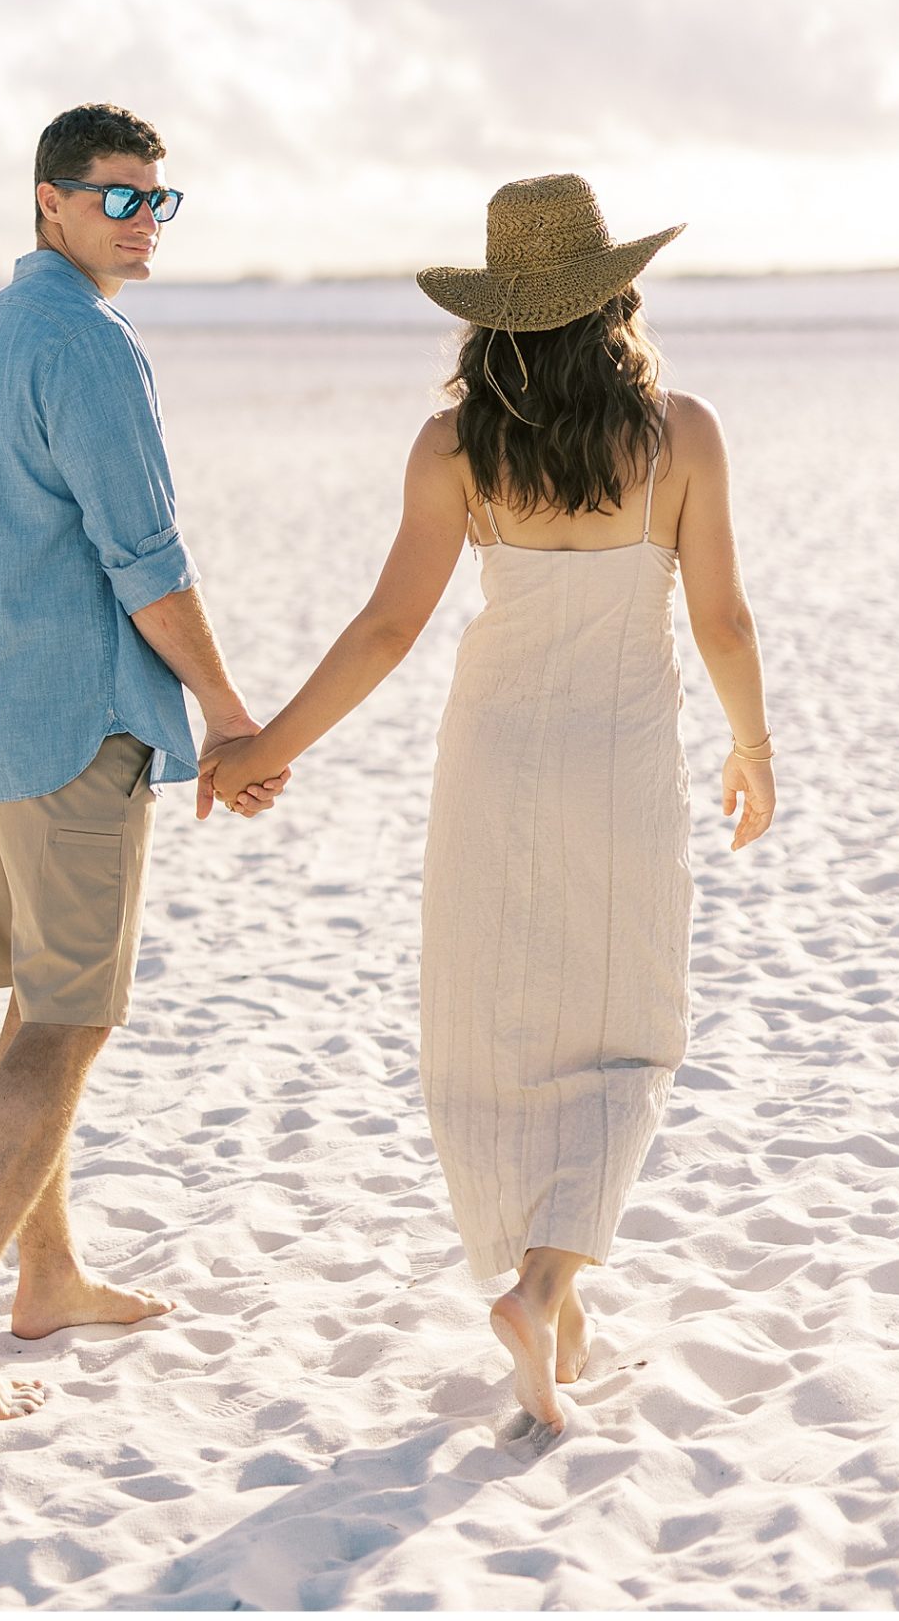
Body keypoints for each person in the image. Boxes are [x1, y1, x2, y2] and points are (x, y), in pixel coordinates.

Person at [209, 174, 777, 1435]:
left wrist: (262, 748)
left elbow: (387, 627)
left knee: (499, 1025)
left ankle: (546, 1291)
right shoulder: (681, 434)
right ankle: (546, 1286)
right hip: (621, 764)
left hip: (493, 758)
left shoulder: (456, 445)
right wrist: (755, 745)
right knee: (629, 1028)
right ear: (615, 296)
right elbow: (724, 620)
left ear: (493, 316)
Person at [0, 102, 286, 1423]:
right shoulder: (85, 343)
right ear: (49, 202)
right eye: (120, 197)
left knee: (40, 1004)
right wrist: (226, 711)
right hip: (71, 729)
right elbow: (145, 558)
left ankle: (46, 1276)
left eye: (157, 199)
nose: (144, 221)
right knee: (70, 1018)